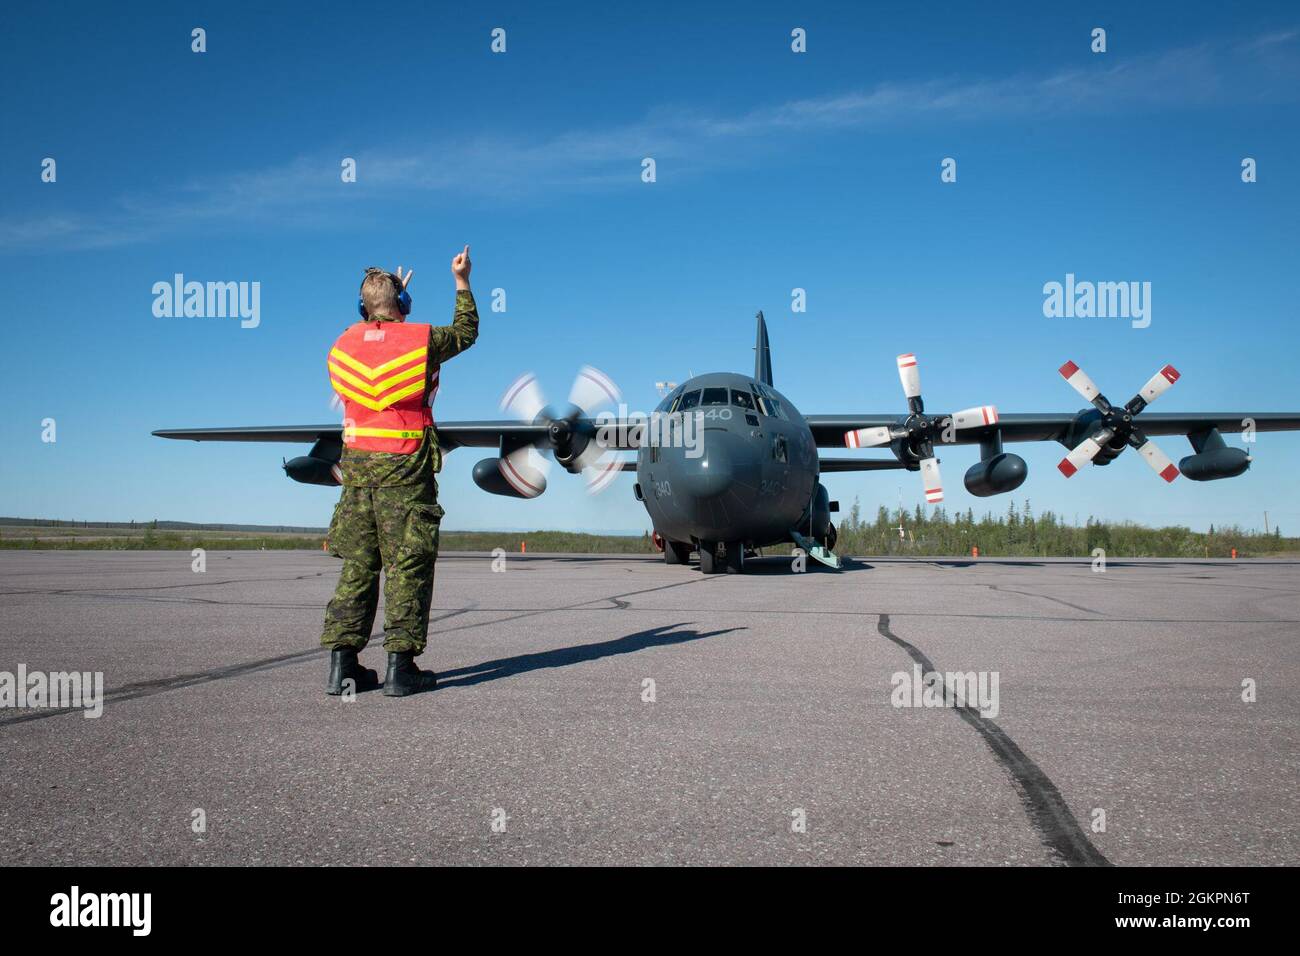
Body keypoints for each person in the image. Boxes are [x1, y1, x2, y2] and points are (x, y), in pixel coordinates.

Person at [321, 246, 478, 696]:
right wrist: (461, 280)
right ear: (405, 306)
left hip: (356, 472)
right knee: (408, 564)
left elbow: (374, 341)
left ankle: (343, 666)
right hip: (407, 467)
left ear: (362, 308)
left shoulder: (342, 344)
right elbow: (467, 332)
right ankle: (400, 669)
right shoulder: (421, 340)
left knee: (358, 565)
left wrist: (384, 306)